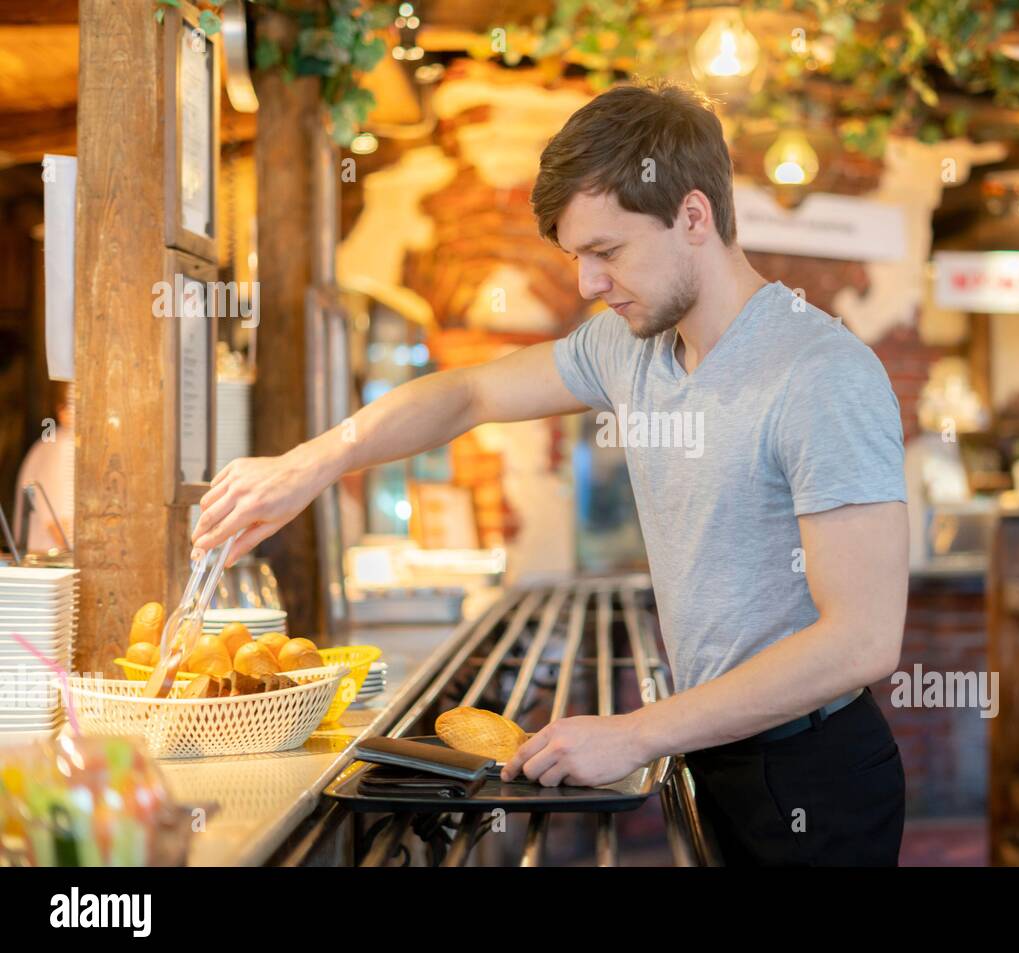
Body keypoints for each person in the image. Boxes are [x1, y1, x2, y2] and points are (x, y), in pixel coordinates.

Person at [192, 82, 910, 866]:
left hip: (813, 774)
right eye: (577, 257)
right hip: (718, 748)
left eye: (607, 252)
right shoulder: (630, 347)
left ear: (695, 217)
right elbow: (469, 392)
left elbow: (862, 638)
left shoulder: (821, 372)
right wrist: (313, 461)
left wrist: (638, 731)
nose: (588, 284)